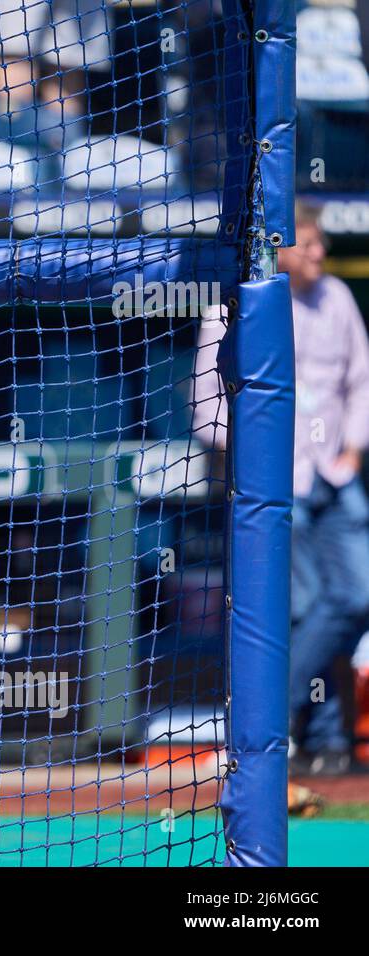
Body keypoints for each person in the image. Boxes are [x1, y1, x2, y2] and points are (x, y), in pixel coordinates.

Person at [193, 202, 369, 775]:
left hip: (334, 476)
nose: (320, 253)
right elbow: (204, 408)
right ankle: (323, 740)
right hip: (274, 485)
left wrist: (353, 446)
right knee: (305, 607)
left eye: (321, 243)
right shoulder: (234, 307)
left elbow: (361, 379)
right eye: (310, 243)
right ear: (278, 245)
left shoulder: (337, 298)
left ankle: (276, 722)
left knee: (353, 596)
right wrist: (252, 460)